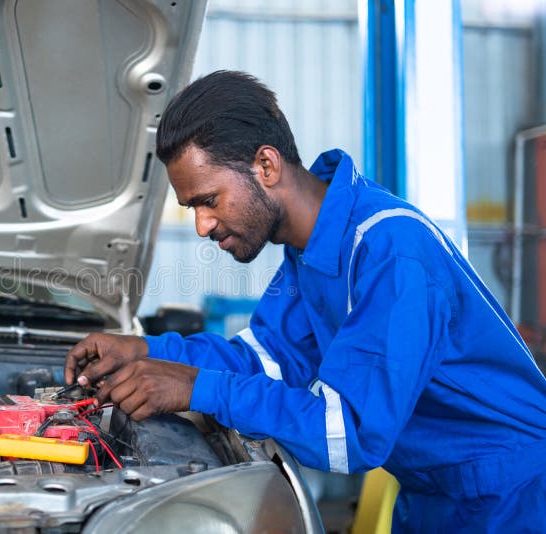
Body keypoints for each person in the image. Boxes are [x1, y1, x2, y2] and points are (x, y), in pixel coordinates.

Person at [63, 70, 546, 531]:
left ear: (266, 166)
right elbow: (266, 360)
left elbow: (348, 432)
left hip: (512, 499)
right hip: (433, 495)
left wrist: (200, 388)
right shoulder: (312, 250)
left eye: (208, 200)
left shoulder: (390, 250)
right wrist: (145, 351)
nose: (202, 225)